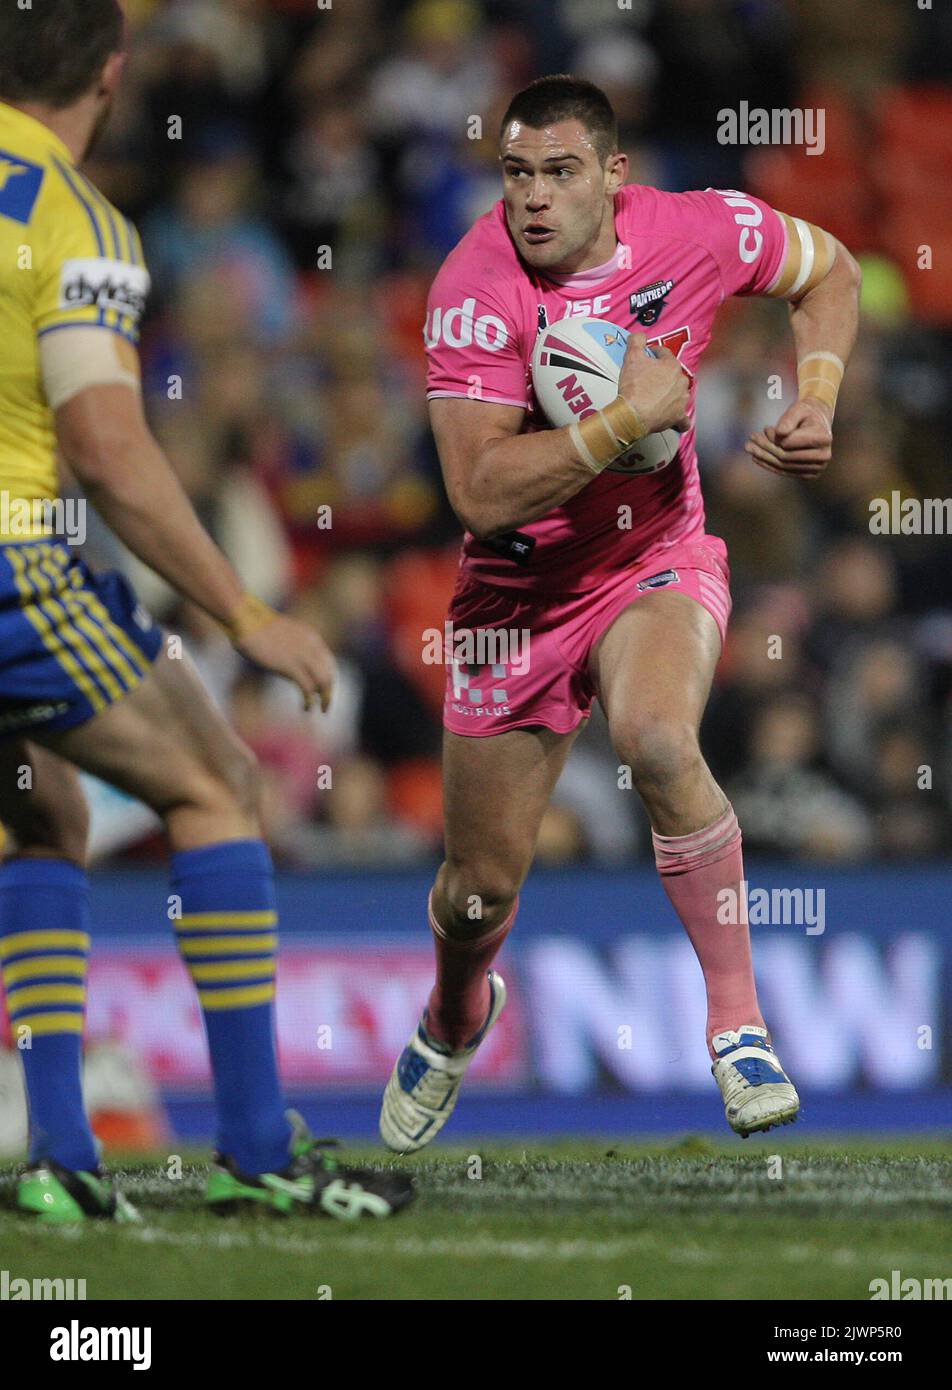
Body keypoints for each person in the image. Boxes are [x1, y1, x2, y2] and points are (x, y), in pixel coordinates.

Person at [380, 74, 861, 1150]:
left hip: (653, 555)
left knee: (655, 739)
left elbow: (828, 269)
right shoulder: (473, 285)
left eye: (558, 173)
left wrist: (816, 393)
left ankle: (737, 1027)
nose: (534, 199)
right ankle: (457, 1013)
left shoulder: (696, 230)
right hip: (515, 596)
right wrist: (626, 419)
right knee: (475, 895)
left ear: (611, 176)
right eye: (515, 175)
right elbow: (477, 492)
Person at [0, 0, 412, 1221]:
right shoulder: (76, 218)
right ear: (114, 74)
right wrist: (243, 613)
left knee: (44, 809)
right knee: (218, 783)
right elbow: (107, 443)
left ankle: (64, 1160)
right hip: (11, 557)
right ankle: (255, 1145)